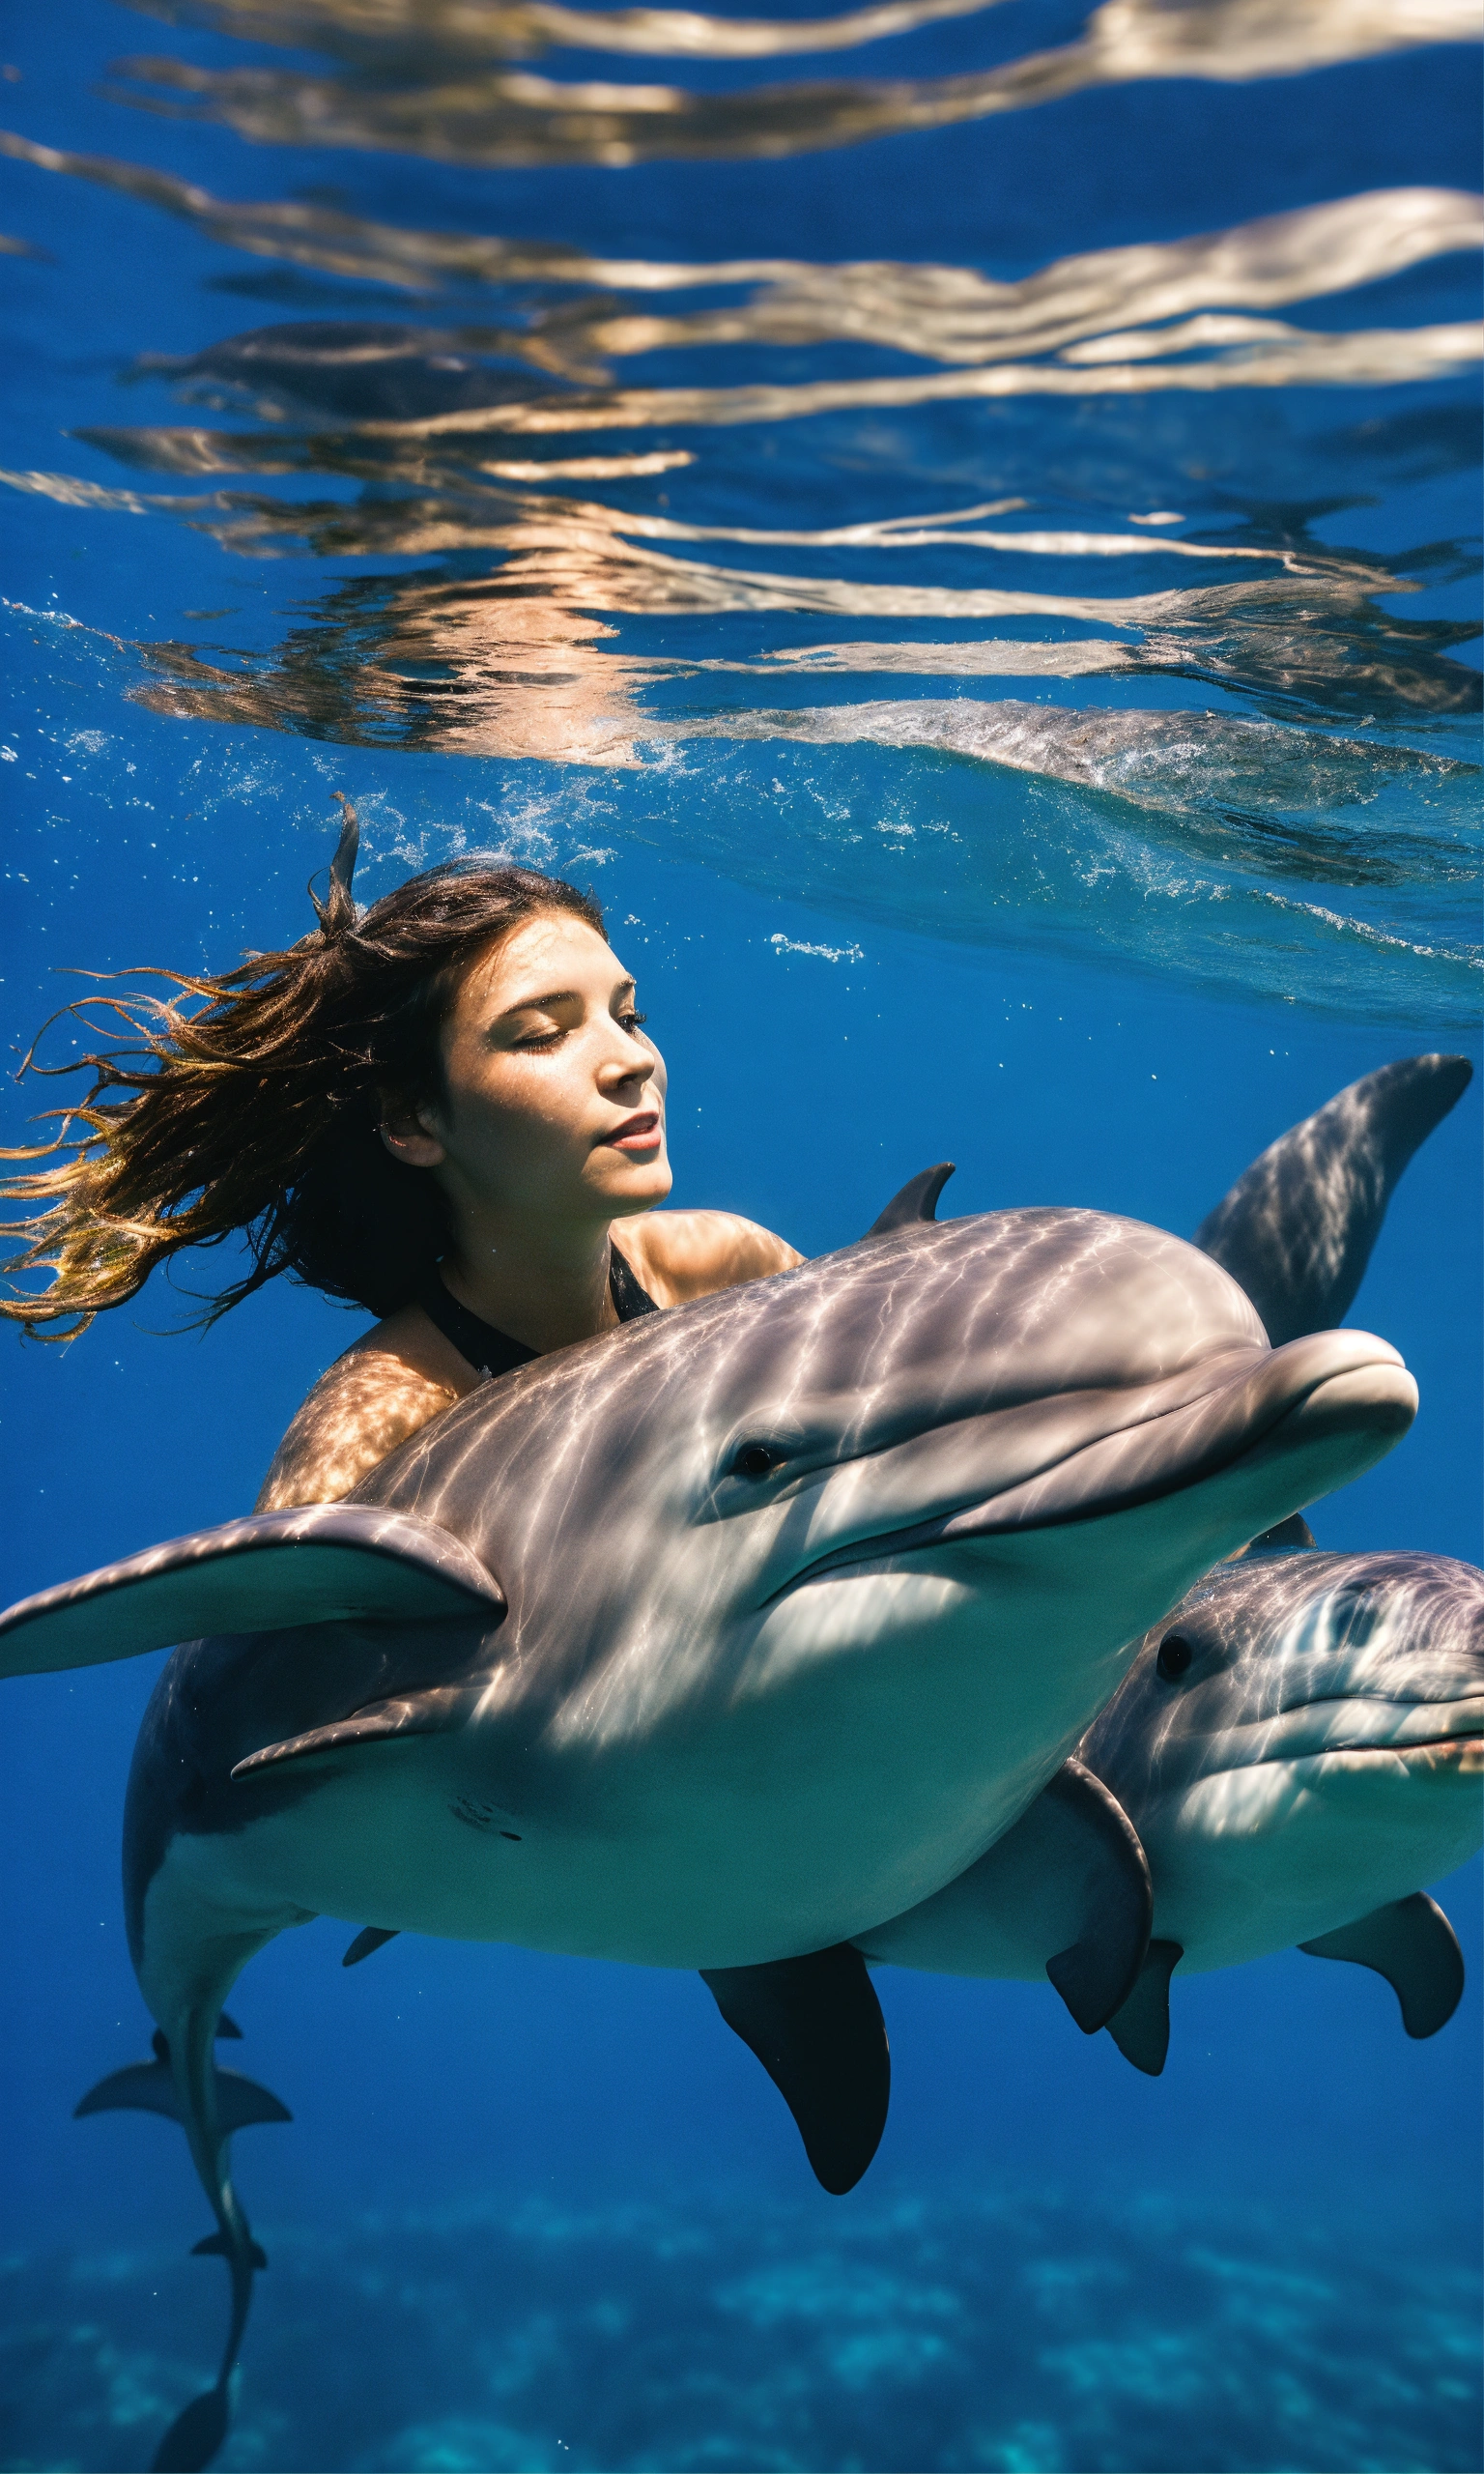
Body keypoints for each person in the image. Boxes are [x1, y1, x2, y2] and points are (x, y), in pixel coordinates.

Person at [1, 799, 800, 1509]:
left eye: (629, 1016)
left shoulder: (731, 1268)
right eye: (544, 1033)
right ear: (414, 1121)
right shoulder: (374, 1437)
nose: (632, 1061)